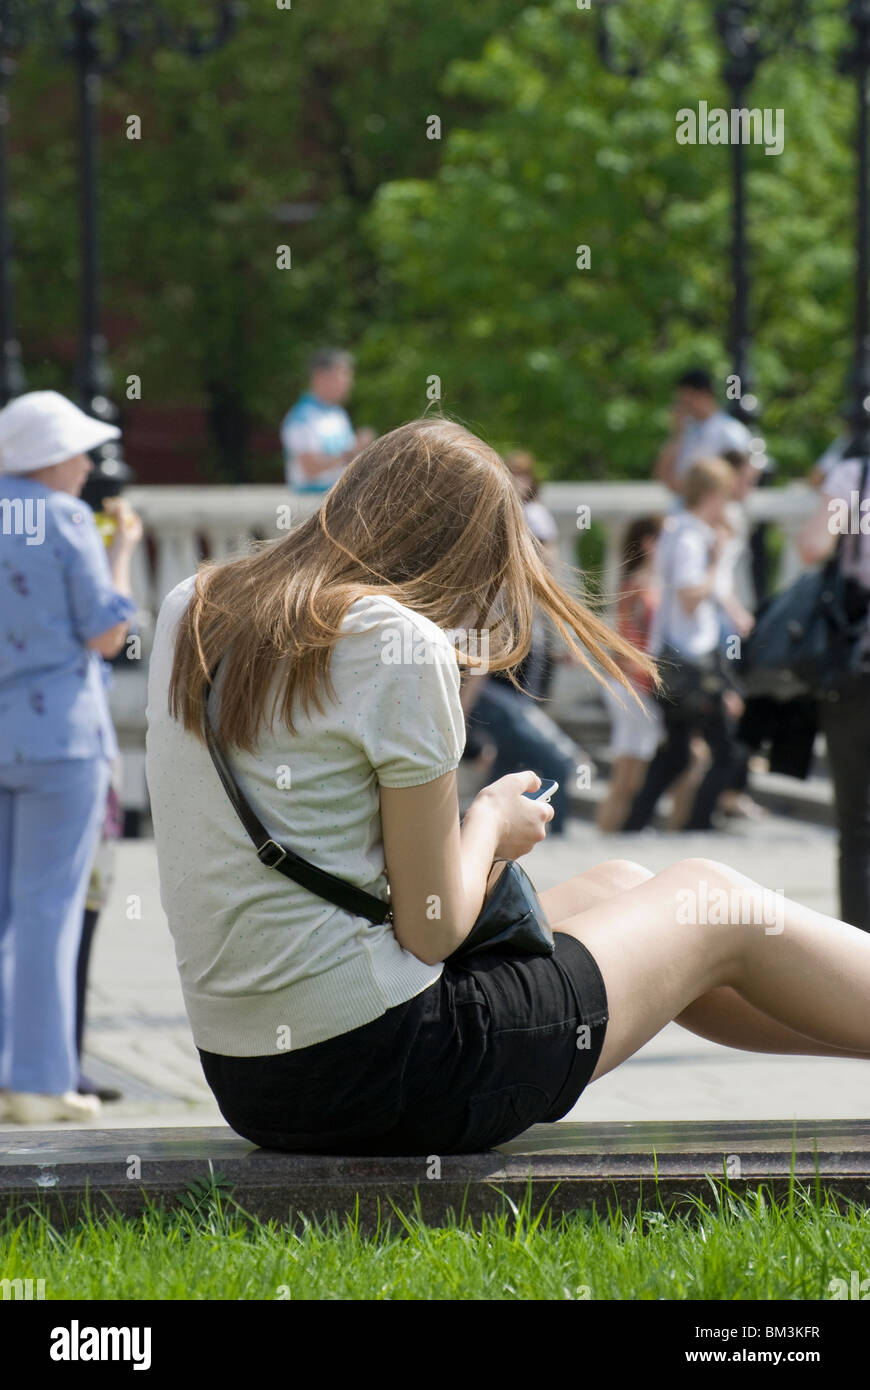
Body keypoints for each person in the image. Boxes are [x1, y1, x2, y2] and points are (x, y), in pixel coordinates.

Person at [146, 418, 870, 1158]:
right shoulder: (397, 645)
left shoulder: (195, 609)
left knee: (623, 886)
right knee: (710, 900)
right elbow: (430, 927)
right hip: (392, 1067)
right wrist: (491, 821)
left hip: (254, 1077)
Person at [0, 390, 141, 1124]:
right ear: (51, 456)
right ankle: (39, 1080)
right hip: (60, 741)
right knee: (50, 908)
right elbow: (106, 633)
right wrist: (120, 551)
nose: (89, 465)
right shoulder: (63, 518)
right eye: (80, 452)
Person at [623, 457, 744, 834]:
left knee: (675, 753)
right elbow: (692, 596)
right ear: (712, 495)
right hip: (693, 660)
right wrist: (718, 560)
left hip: (676, 656)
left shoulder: (676, 530)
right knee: (726, 751)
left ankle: (635, 826)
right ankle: (698, 825)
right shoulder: (692, 537)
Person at [799, 449, 870, 931]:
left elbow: (811, 547)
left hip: (855, 665)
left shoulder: (855, 473)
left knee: (856, 822)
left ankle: (859, 957)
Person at [597, 515, 664, 834]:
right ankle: (607, 837)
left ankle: (613, 835)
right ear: (650, 543)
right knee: (626, 775)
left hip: (634, 684)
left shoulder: (646, 582)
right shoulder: (638, 584)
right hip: (633, 685)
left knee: (631, 774)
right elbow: (626, 639)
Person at [280, 348, 374, 492]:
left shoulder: (338, 413)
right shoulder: (301, 417)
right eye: (343, 374)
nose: (349, 383)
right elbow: (310, 469)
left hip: (337, 498)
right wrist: (354, 450)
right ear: (321, 377)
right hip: (310, 504)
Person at [654, 368, 752, 496]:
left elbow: (740, 481)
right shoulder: (686, 431)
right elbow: (663, 474)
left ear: (703, 394)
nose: (683, 406)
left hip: (715, 508)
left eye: (687, 400)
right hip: (686, 508)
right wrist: (677, 434)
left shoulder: (730, 430)